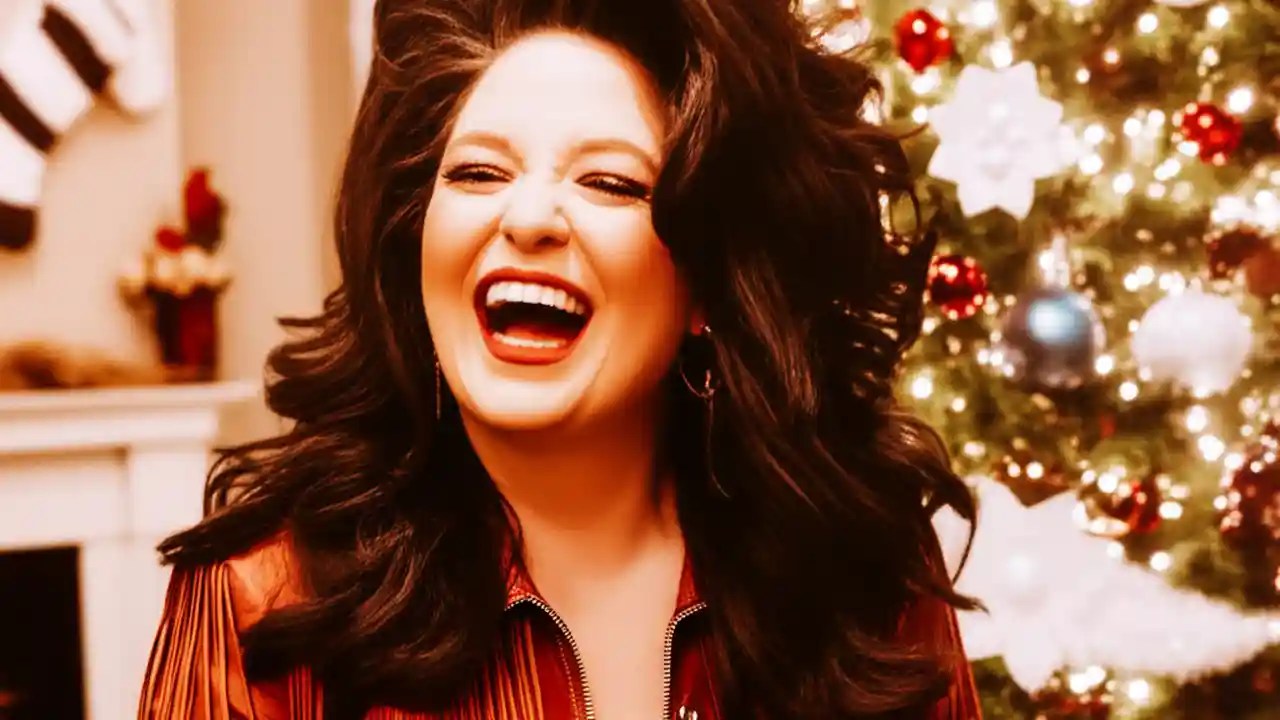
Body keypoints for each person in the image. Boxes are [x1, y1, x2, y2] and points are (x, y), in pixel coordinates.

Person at [138, 0, 981, 718]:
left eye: (609, 183)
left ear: (708, 293)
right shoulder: (257, 600)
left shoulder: (862, 568)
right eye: (475, 173)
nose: (530, 215)